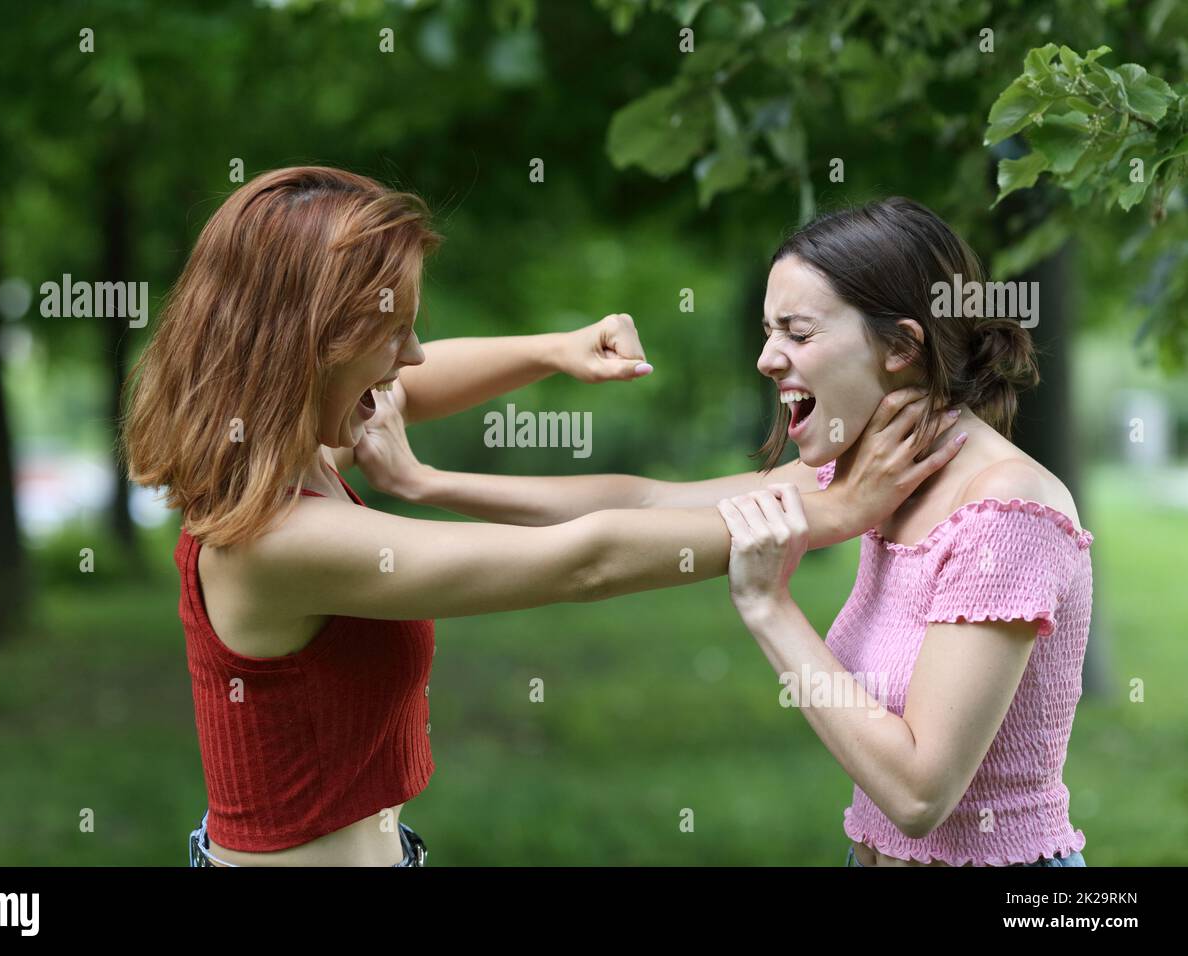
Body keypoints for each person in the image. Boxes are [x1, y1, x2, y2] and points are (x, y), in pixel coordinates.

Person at [124, 167, 964, 866]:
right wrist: (836, 510)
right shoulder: (274, 540)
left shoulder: (289, 445)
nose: (412, 355)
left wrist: (551, 350)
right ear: (311, 346)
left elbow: (411, 383)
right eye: (393, 332)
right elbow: (582, 559)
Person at [717, 198, 1091, 867]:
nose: (767, 359)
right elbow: (642, 500)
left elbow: (920, 796)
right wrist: (461, 486)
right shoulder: (878, 476)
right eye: (769, 332)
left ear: (901, 346)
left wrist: (768, 608)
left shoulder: (1007, 513)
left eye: (797, 334)